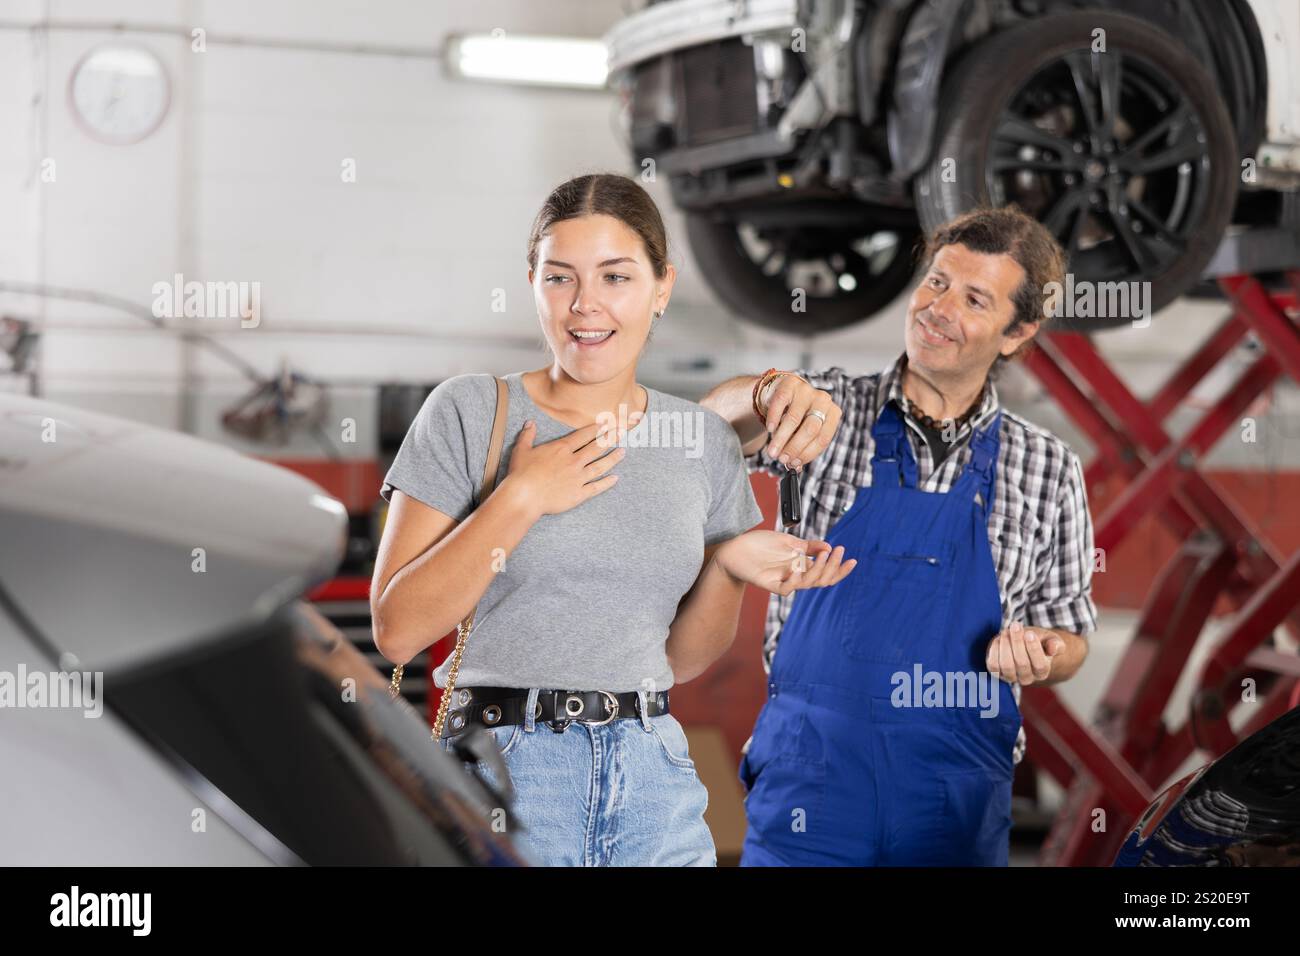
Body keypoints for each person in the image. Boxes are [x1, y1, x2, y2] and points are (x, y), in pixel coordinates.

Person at [371, 173, 855, 867]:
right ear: (533, 282)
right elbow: (397, 629)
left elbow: (681, 660)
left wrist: (726, 568)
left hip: (652, 778)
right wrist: (522, 497)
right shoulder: (471, 412)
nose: (585, 305)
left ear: (662, 287)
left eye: (616, 277)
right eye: (559, 277)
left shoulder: (699, 441)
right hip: (504, 772)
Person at [701, 205, 1098, 866]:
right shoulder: (828, 409)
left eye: (973, 298)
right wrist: (768, 391)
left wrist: (1047, 651)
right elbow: (704, 433)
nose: (938, 307)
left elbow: (1069, 637)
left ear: (1017, 331)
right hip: (811, 793)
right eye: (936, 281)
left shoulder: (1049, 467)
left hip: (955, 812)